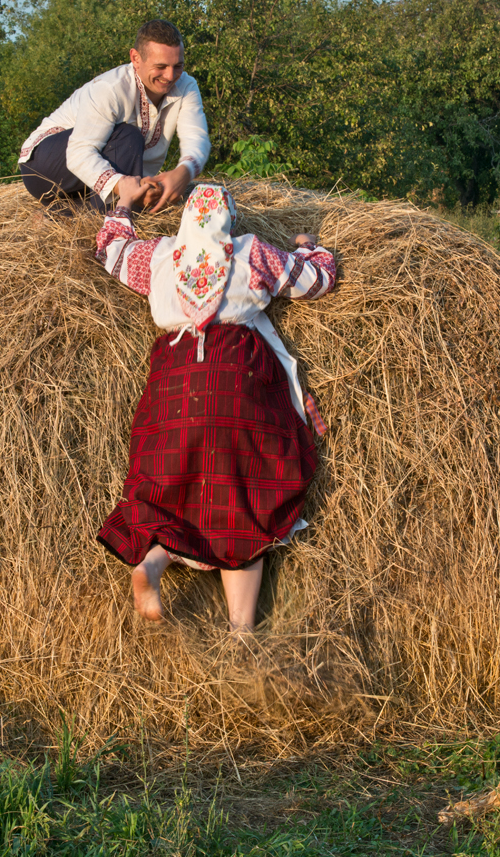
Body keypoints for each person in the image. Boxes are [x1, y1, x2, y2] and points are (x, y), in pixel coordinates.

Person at [93, 181, 336, 631]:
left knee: (167, 489)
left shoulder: (162, 255)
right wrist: (310, 248)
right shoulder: (249, 252)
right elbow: (317, 281)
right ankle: (241, 633)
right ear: (227, 217)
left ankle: (151, 563)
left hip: (175, 376)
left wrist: (123, 206)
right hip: (234, 375)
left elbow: (110, 250)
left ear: (187, 217)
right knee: (244, 495)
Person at [18, 19, 211, 213]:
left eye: (178, 66)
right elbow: (78, 154)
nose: (170, 76)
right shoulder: (110, 88)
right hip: (43, 165)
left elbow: (196, 137)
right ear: (135, 58)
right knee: (128, 136)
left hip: (84, 179)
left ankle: (67, 213)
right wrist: (122, 185)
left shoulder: (186, 86)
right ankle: (110, 224)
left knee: (143, 196)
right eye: (160, 66)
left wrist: (184, 172)